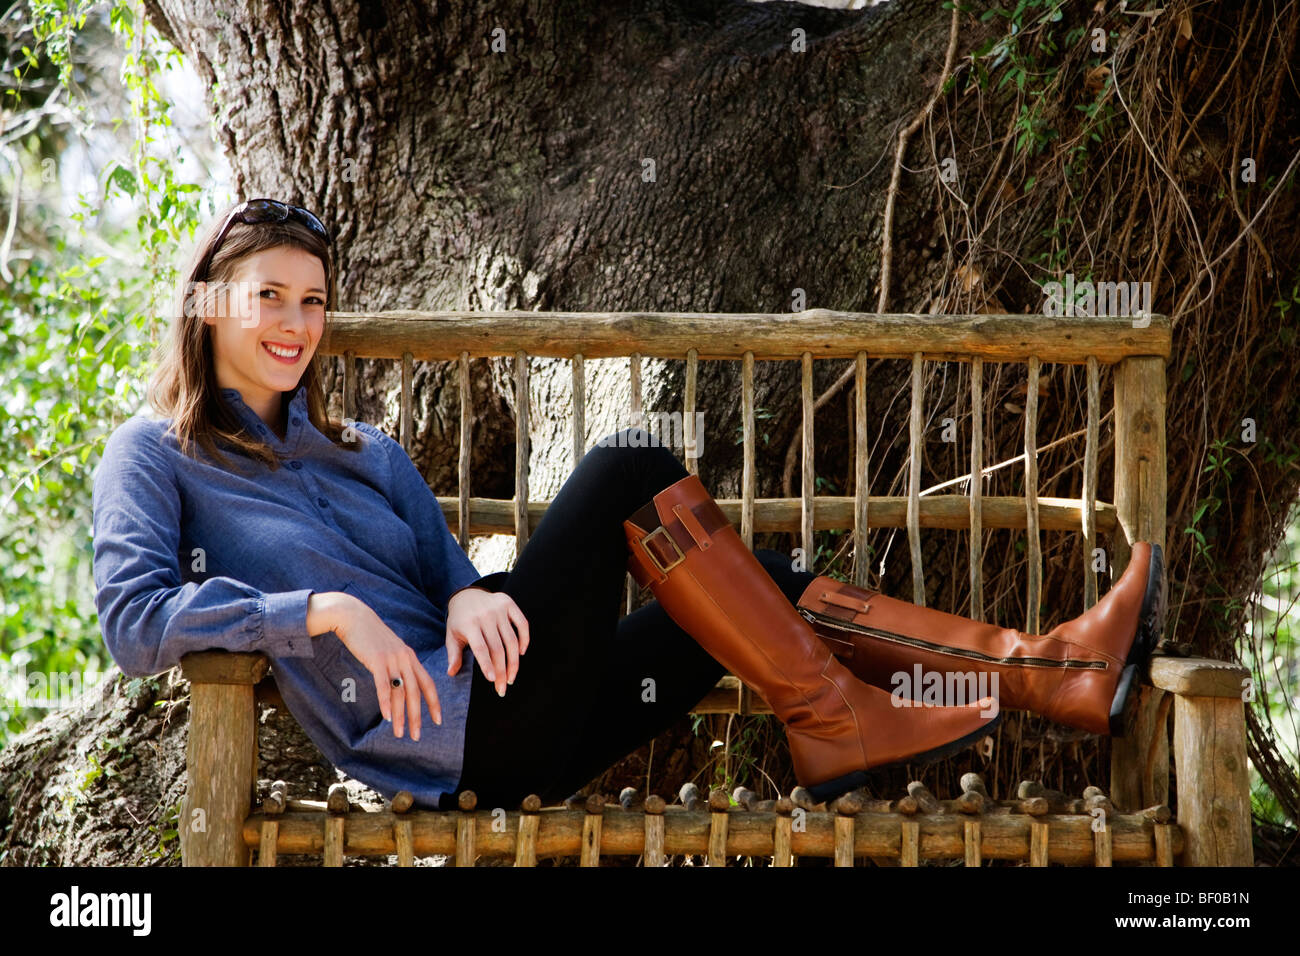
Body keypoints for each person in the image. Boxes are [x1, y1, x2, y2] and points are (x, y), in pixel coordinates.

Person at [92, 197, 1166, 813]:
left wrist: (465, 597)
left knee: (770, 591)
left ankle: (1051, 673)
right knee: (626, 469)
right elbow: (132, 621)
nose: (294, 321)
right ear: (207, 304)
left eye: (312, 299)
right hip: (460, 746)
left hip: (524, 701)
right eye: (266, 295)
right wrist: (317, 609)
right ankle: (838, 716)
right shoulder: (156, 454)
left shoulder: (362, 449)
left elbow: (451, 576)